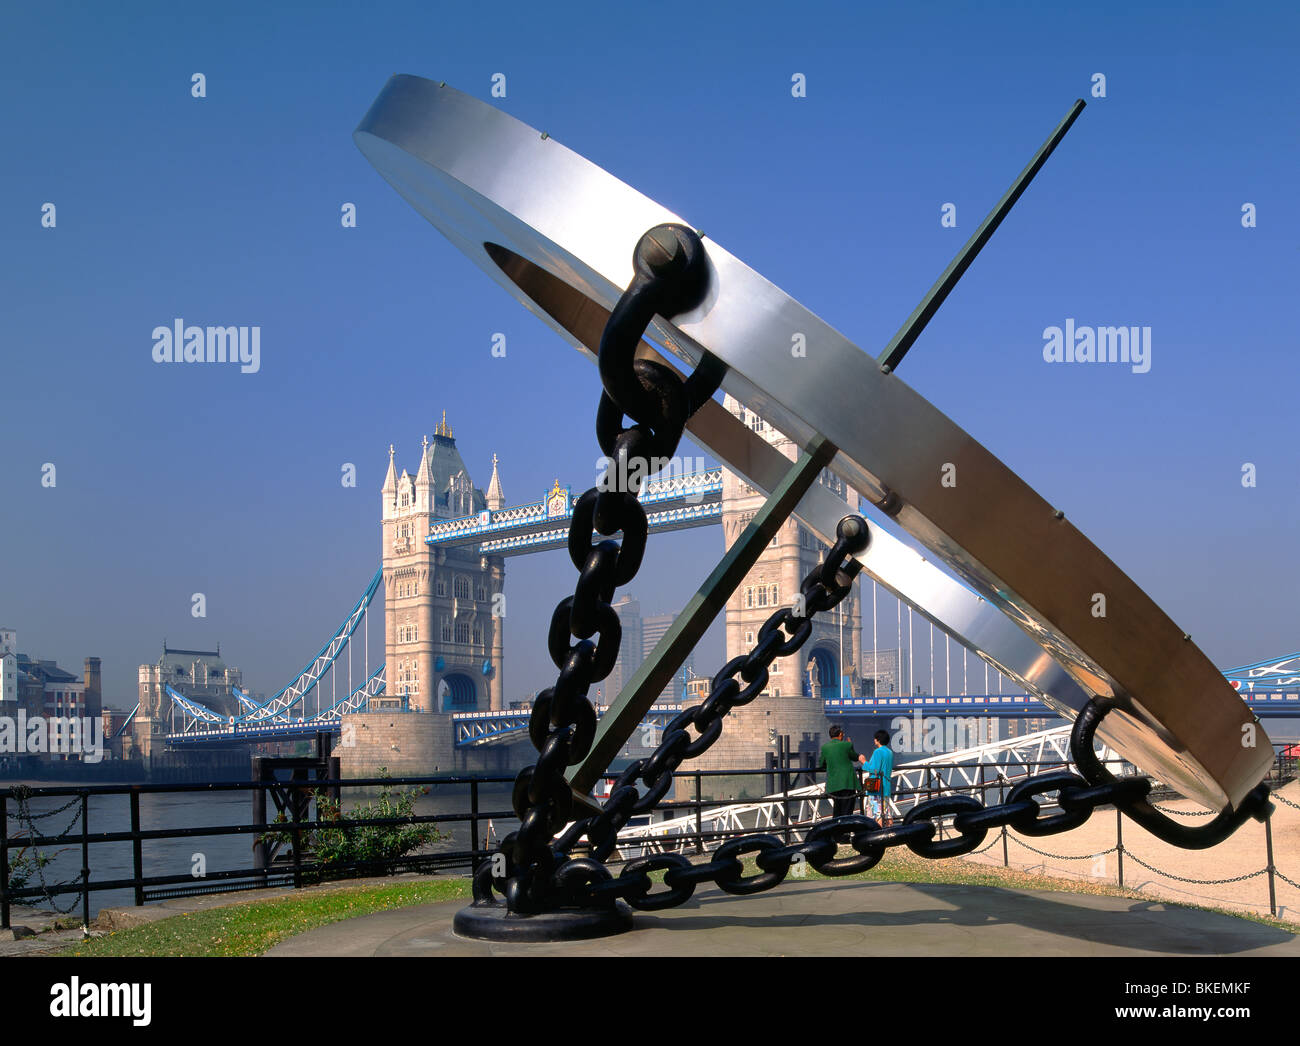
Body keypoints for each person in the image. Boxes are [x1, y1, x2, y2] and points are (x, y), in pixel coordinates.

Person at [816, 723, 859, 818]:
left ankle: (837, 830)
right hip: (848, 783)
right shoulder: (847, 745)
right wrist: (851, 746)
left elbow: (821, 764)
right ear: (840, 734)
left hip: (834, 785)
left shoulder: (825, 747)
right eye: (842, 733)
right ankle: (846, 831)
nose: (843, 735)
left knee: (837, 809)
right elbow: (855, 757)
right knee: (847, 811)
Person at [858, 729, 895, 825]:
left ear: (877, 740)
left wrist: (864, 761)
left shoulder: (878, 752)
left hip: (876, 788)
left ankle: (880, 835)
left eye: (875, 738)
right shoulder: (889, 752)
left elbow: (875, 769)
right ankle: (890, 832)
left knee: (878, 813)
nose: (874, 740)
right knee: (886, 812)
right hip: (886, 787)